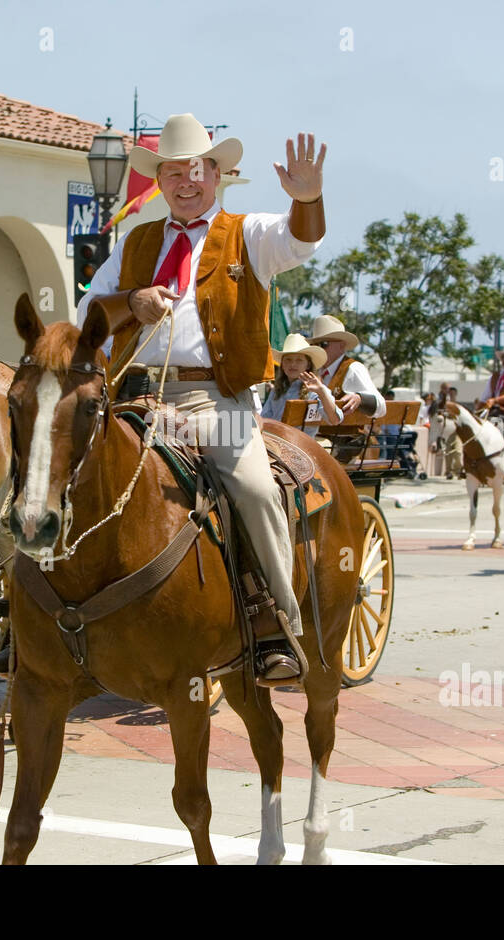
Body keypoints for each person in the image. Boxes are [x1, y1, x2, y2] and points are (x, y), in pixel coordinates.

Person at [57, 113, 326, 682]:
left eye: (196, 170)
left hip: (216, 402)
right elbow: (88, 312)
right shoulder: (136, 240)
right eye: (173, 172)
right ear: (161, 180)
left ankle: (276, 624)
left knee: (253, 487)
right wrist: (133, 300)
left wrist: (309, 198)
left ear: (216, 175)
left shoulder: (246, 233)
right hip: (135, 400)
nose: (185, 181)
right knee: (60, 473)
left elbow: (300, 241)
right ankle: (40, 620)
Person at [307, 315, 386, 421]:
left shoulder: (353, 369)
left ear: (341, 345)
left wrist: (359, 398)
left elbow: (381, 406)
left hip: (345, 436)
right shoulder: (315, 370)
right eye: (315, 345)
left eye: (324, 344)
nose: (319, 349)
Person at [260, 333, 341, 435]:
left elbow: (335, 420)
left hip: (300, 446)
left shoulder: (316, 390)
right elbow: (265, 418)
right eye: (288, 359)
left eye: (299, 360)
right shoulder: (277, 390)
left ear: (308, 365)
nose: (293, 364)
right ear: (282, 365)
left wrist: (321, 392)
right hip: (274, 440)